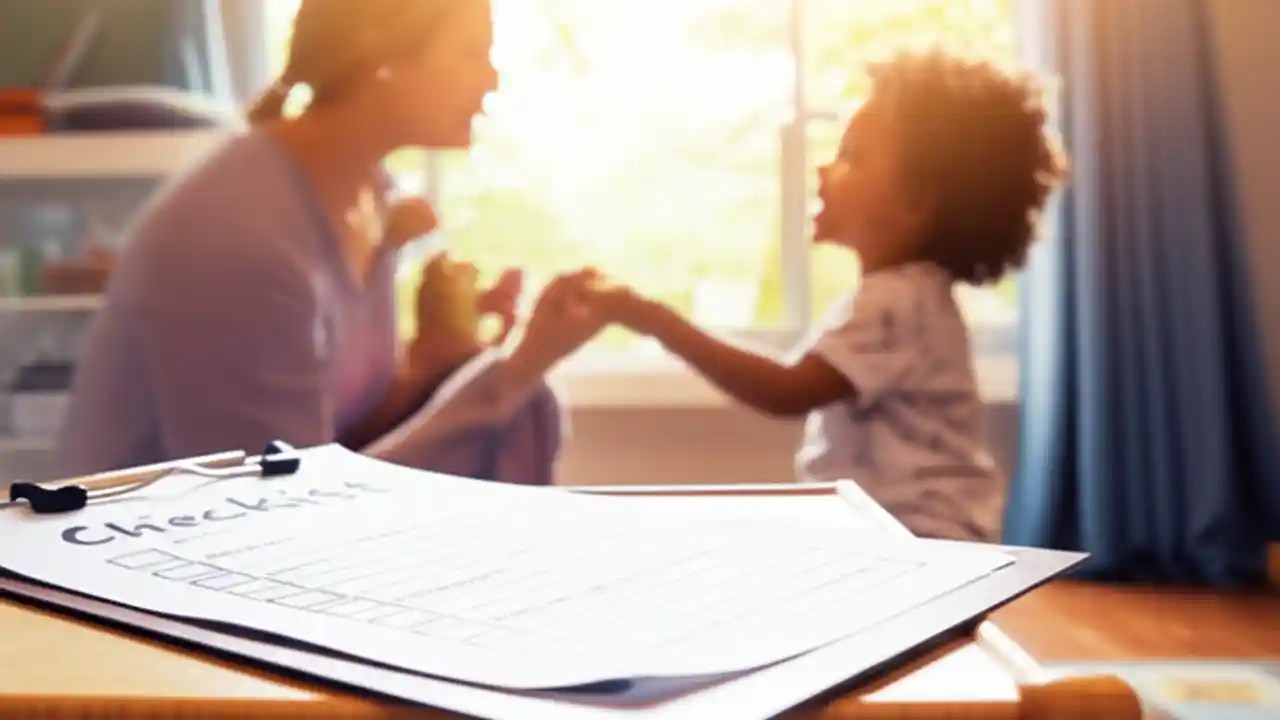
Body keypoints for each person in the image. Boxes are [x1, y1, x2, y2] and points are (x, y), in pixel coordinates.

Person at [58, 0, 608, 484]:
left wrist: (438, 364)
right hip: (132, 574)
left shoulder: (369, 196)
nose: (491, 78)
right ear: (380, 44)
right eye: (470, 51)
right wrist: (514, 371)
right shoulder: (242, 236)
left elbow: (340, 436)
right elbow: (278, 502)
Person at [587, 51, 1069, 541]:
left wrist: (652, 318)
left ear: (914, 202)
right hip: (920, 541)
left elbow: (787, 390)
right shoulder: (913, 297)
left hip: (922, 542)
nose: (824, 168)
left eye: (853, 157)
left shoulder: (897, 300)